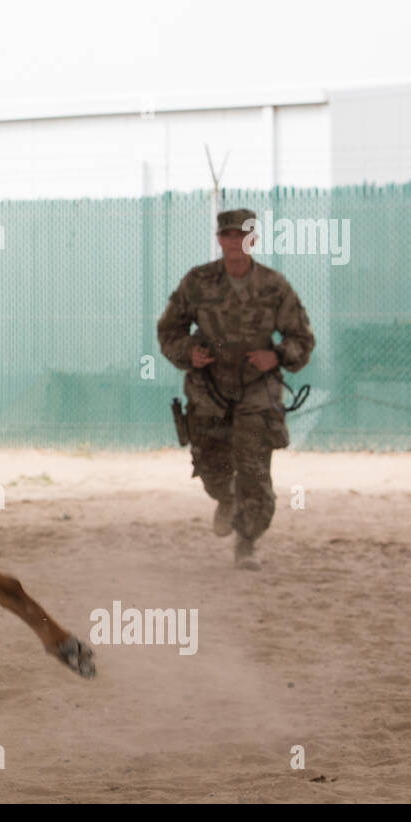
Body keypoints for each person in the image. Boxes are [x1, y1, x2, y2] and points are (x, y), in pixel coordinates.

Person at [157, 208, 316, 570]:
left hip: (256, 391)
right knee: (212, 469)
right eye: (228, 235)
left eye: (242, 235)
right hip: (208, 390)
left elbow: (302, 338)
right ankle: (225, 499)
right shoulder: (198, 283)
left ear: (253, 239)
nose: (235, 242)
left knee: (254, 474)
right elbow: (169, 330)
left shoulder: (274, 286)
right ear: (219, 239)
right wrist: (188, 353)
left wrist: (275, 355)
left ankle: (246, 542)